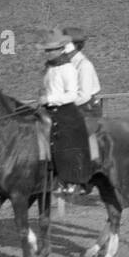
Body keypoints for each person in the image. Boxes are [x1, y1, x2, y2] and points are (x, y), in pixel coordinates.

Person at [38, 29, 91, 187]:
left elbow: (72, 95)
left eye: (50, 50)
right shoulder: (49, 67)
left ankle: (68, 176)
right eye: (46, 50)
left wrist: (50, 98)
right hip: (48, 109)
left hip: (65, 111)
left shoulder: (67, 68)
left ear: (60, 49)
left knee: (61, 139)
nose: (47, 53)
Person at [63, 26, 103, 118]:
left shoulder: (84, 65)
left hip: (86, 111)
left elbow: (84, 96)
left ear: (75, 45)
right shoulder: (64, 64)